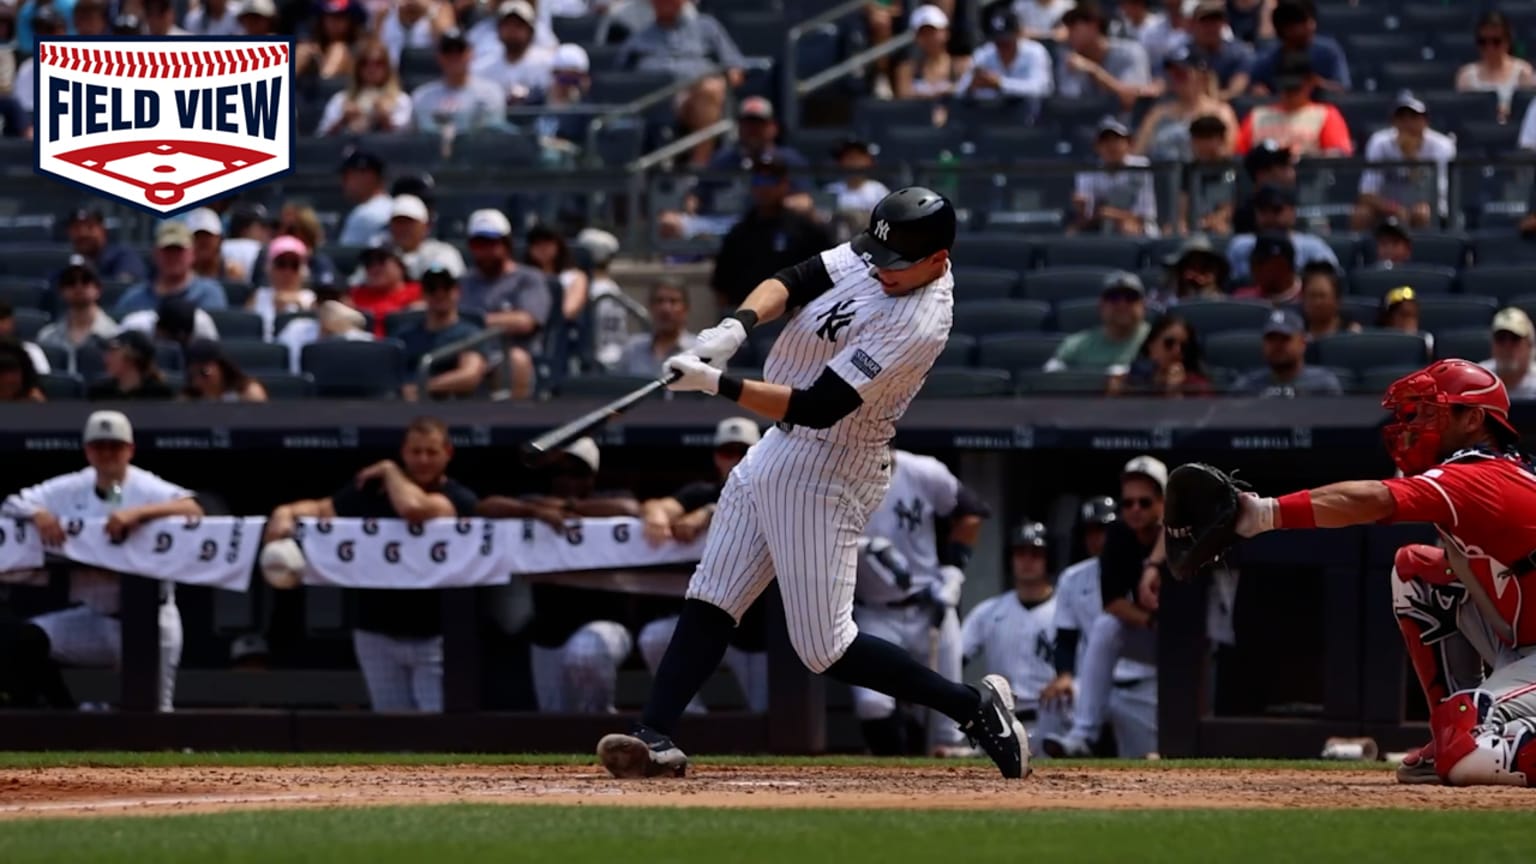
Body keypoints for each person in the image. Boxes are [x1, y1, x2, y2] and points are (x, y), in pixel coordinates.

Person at [594, 187, 1029, 781]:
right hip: (779, 448)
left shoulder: (919, 322)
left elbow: (819, 407)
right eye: (878, 256)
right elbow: (796, 278)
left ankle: (973, 708)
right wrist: (736, 325)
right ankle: (656, 735)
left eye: (897, 265)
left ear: (938, 260)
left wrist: (718, 385)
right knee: (713, 595)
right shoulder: (884, 251)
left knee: (825, 647)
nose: (880, 270)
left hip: (830, 464)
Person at [1210, 359, 1536, 786]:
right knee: (1416, 572)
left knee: (1468, 753)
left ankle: (1463, 734)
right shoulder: (1490, 471)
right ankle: (1452, 730)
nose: (1413, 425)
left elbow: (1370, 500)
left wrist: (1261, 514)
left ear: (1473, 419)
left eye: (1430, 412)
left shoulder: (1481, 476)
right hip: (1521, 644)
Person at [263, 417, 479, 713]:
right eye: (415, 452)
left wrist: (390, 470)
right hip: (376, 629)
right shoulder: (371, 490)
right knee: (389, 719)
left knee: (435, 720)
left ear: (448, 453)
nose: (423, 460)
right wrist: (284, 512)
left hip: (434, 633)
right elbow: (321, 509)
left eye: (431, 452)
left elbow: (413, 509)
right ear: (404, 452)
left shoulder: (457, 497)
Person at [2, 411, 201, 712]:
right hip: (96, 619)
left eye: (115, 446)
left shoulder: (144, 486)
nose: (107, 453)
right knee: (23, 640)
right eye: (99, 446)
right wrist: (39, 514)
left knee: (154, 712)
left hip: (151, 620)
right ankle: (66, 719)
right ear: (88, 451)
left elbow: (192, 509)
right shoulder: (74, 486)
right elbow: (14, 503)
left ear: (129, 450)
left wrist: (137, 514)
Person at [477, 438, 642, 714]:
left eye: (577, 472)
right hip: (549, 630)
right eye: (559, 472)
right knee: (553, 715)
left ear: (591, 476)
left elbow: (631, 509)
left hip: (607, 621)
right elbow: (485, 507)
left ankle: (600, 722)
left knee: (586, 652)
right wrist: (534, 511)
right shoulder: (535, 504)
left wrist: (567, 508)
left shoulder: (610, 498)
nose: (567, 480)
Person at [854, 450, 992, 756]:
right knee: (872, 703)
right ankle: (893, 774)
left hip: (930, 607)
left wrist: (953, 572)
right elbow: (817, 534)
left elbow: (971, 513)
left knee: (949, 726)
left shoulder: (923, 471)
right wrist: (865, 547)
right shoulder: (837, 477)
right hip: (875, 611)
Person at [637, 418, 770, 714]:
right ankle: (688, 718)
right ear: (716, 457)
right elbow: (658, 505)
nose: (735, 459)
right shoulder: (701, 492)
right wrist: (657, 516)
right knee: (655, 638)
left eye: (743, 451)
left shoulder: (773, 494)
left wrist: (708, 513)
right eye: (727, 452)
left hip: (757, 634)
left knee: (765, 713)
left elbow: (749, 510)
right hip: (711, 622)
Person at [1042, 456, 1166, 758]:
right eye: (1128, 503)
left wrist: (1153, 565)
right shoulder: (1119, 537)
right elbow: (1112, 604)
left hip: (1178, 650)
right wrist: (1151, 622)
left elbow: (1179, 527)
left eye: (1145, 502)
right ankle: (1082, 735)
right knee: (1106, 625)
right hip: (1148, 636)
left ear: (1163, 502)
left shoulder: (1181, 532)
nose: (1135, 509)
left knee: (1156, 756)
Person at [961, 521, 1065, 746]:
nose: (1027, 560)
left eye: (1036, 553)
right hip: (1002, 721)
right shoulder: (988, 611)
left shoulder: (1067, 611)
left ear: (1049, 559)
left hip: (1056, 720)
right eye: (1020, 553)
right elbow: (956, 658)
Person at [618, 0, 746, 166]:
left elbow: (736, 69)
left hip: (696, 96)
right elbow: (620, 79)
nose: (666, 3)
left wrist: (720, 81)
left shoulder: (706, 27)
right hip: (653, 102)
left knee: (710, 90)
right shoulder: (639, 38)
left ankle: (697, 167)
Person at [709, 155, 836, 311]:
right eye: (758, 181)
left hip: (796, 316)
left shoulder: (805, 228)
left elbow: (829, 271)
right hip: (749, 318)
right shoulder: (739, 233)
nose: (764, 187)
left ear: (785, 184)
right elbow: (721, 284)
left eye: (771, 181)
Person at [460, 209, 551, 399]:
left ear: (506, 244)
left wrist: (475, 321)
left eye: (491, 243)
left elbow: (525, 321)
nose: (485, 251)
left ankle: (512, 417)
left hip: (507, 354)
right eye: (478, 244)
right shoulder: (463, 282)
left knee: (516, 360)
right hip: (466, 355)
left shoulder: (528, 279)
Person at [1355, 96, 1456, 232]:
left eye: (1414, 117)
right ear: (1393, 122)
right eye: (1402, 118)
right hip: (1387, 207)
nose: (1408, 123)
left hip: (1426, 206)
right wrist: (1395, 209)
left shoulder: (1442, 146)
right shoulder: (1380, 143)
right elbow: (1366, 193)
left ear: (1425, 121)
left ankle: (1427, 246)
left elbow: (1439, 193)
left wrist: (1411, 159)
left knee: (1422, 213)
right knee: (1361, 214)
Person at [398, 266, 490, 400]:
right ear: (423, 294)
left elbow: (469, 375)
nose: (439, 294)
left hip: (449, 404)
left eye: (446, 288)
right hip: (401, 403)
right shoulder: (405, 335)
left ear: (457, 292)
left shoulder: (470, 334)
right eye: (432, 288)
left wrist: (422, 387)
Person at [1235, 52, 1352, 158]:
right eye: (1286, 87)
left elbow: (1338, 157)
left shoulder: (1326, 115)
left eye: (1295, 87)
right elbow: (1239, 157)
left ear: (1311, 82)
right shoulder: (1257, 116)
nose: (1290, 93)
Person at [1131, 46, 1237, 162]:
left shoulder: (1220, 112)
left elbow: (1227, 153)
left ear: (1201, 76)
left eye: (1182, 73)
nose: (1177, 77)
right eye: (1173, 73)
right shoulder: (1158, 113)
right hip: (1162, 171)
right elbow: (1138, 153)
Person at [112, 223, 229, 318]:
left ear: (192, 254)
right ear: (156, 254)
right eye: (167, 250)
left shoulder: (208, 294)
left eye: (179, 250)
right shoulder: (134, 298)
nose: (173, 257)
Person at [1225, 185, 1339, 283]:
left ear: (1292, 212)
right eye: (1263, 210)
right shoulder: (1240, 246)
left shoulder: (1313, 247)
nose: (1269, 217)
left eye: (1276, 210)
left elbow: (1330, 285)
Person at [1046, 271, 1150, 374]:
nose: (1122, 305)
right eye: (1113, 297)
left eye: (1131, 297)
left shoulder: (1156, 342)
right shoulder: (1076, 346)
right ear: (1101, 306)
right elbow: (1050, 376)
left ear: (1143, 306)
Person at [1056, 1, 1151, 110]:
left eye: (1073, 28)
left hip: (1123, 118)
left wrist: (1093, 71)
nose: (1068, 35)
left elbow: (1131, 99)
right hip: (1085, 117)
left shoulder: (1131, 52)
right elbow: (1067, 103)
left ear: (1093, 26)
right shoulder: (1070, 58)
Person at [1072, 119, 1158, 237]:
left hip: (1140, 229)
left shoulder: (1140, 167)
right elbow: (1086, 215)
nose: (1111, 146)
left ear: (1129, 144)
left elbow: (1144, 213)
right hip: (1098, 228)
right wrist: (1082, 207)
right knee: (1072, 233)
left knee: (1127, 227)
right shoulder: (1088, 171)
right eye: (1105, 141)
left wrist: (1113, 214)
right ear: (1096, 147)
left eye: (1117, 140)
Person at [1230, 308, 1344, 397]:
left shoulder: (1323, 384)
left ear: (1302, 343)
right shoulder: (1247, 386)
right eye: (1271, 339)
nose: (1277, 345)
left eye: (1285, 339)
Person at [411, 29, 506, 134]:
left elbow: (492, 135)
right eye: (447, 51)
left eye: (459, 50)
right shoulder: (422, 97)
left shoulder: (490, 93)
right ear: (439, 57)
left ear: (471, 54)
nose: (454, 56)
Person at [1247, 0, 1349, 94]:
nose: (1311, 26)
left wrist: (1318, 84)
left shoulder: (1328, 51)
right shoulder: (1269, 57)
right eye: (1302, 23)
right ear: (1286, 29)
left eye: (1311, 20)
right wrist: (1258, 91)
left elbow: (1343, 88)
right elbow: (1252, 85)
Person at [317, 37, 414, 136]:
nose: (371, 69)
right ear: (357, 68)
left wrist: (385, 120)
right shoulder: (340, 100)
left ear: (387, 68)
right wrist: (343, 120)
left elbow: (406, 140)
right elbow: (322, 138)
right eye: (364, 63)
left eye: (378, 63)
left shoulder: (401, 100)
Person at [956, 7, 1054, 104]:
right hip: (992, 111)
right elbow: (959, 90)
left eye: (1006, 42)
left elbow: (1040, 89)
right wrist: (971, 86)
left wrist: (1000, 83)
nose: (1002, 47)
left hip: (1029, 111)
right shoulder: (984, 54)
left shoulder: (1035, 52)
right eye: (998, 41)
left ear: (1019, 34)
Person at [1456, 11, 1534, 123]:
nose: (1489, 47)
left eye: (1496, 41)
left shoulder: (1523, 72)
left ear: (1507, 41)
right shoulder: (1466, 75)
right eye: (1483, 42)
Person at [1109, 314, 1212, 397]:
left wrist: (1174, 393)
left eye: (1184, 346)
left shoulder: (1196, 386)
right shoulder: (1131, 381)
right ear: (1151, 345)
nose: (1177, 351)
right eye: (1169, 343)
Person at [476, 0, 552, 104]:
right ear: (498, 30)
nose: (512, 30)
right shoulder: (484, 67)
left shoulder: (547, 64)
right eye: (507, 25)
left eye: (518, 25)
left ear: (530, 31)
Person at [617, 280, 696, 378]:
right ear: (650, 307)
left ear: (686, 309)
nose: (666, 308)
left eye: (673, 301)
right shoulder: (633, 349)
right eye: (659, 301)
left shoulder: (697, 351)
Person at [893, 5, 971, 101]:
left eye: (933, 32)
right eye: (923, 33)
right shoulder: (906, 70)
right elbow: (903, 96)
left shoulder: (962, 66)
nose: (929, 38)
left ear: (946, 33)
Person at [247, 235, 316, 337]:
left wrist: (302, 307)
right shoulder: (258, 296)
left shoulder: (312, 299)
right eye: (281, 264)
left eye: (294, 265)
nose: (287, 272)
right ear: (269, 267)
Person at [350, 243, 423, 337]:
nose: (375, 268)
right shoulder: (355, 295)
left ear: (400, 265)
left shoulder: (420, 292)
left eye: (381, 261)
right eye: (368, 263)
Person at [63, 206, 146, 288]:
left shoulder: (124, 257)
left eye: (90, 227)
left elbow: (123, 288)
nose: (83, 233)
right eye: (77, 228)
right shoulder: (67, 263)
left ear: (103, 230)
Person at [386, 195, 466, 279]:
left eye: (409, 223)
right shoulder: (382, 256)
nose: (403, 228)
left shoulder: (444, 253)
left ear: (425, 226)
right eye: (398, 222)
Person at [523, 225, 589, 325]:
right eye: (537, 243)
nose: (542, 248)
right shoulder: (522, 277)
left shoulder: (575, 277)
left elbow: (569, 310)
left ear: (558, 245)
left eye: (547, 242)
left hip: (561, 329)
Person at [1187, 0, 1252, 100]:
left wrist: (1208, 100)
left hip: (1228, 105)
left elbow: (1235, 91)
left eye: (1215, 21)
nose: (1210, 27)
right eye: (1205, 21)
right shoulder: (1184, 54)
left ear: (1224, 24)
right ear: (1193, 24)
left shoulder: (1238, 53)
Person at [823, 139, 892, 231]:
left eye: (858, 158)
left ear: (869, 161)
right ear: (840, 162)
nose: (854, 163)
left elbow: (887, 223)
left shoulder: (879, 191)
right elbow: (824, 220)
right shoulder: (831, 190)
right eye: (850, 158)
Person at [87, 331, 176, 401]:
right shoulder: (100, 393)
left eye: (112, 352)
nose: (106, 358)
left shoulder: (159, 394)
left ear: (132, 357)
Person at [181, 340, 268, 403]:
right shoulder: (189, 399)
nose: (198, 382)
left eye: (204, 373)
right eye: (193, 376)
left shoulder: (249, 393)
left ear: (222, 368)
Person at [337, 150, 393, 247]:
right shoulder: (393, 205)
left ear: (368, 176)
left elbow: (348, 254)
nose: (343, 182)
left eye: (347, 176)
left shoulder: (364, 215)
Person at [1233, 232, 1301, 307]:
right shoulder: (1243, 299)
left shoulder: (1307, 298)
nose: (1253, 269)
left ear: (1281, 264)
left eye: (1259, 263)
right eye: (1252, 262)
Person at [1482, 308, 1536, 400]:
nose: (1507, 346)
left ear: (1529, 345)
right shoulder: (1478, 378)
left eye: (1515, 338)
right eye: (1500, 338)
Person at [1158, 234, 1228, 303]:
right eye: (1192, 269)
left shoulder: (1226, 305)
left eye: (1205, 269)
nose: (1199, 279)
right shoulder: (1163, 303)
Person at [1299, 263, 1359, 339]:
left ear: (1337, 299)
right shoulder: (1295, 334)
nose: (1317, 302)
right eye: (1312, 295)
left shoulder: (1351, 334)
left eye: (1322, 296)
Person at [1379, 285, 1433, 355]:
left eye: (1413, 315)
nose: (1409, 320)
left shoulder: (1426, 343)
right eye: (1404, 314)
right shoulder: (1377, 343)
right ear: (1388, 318)